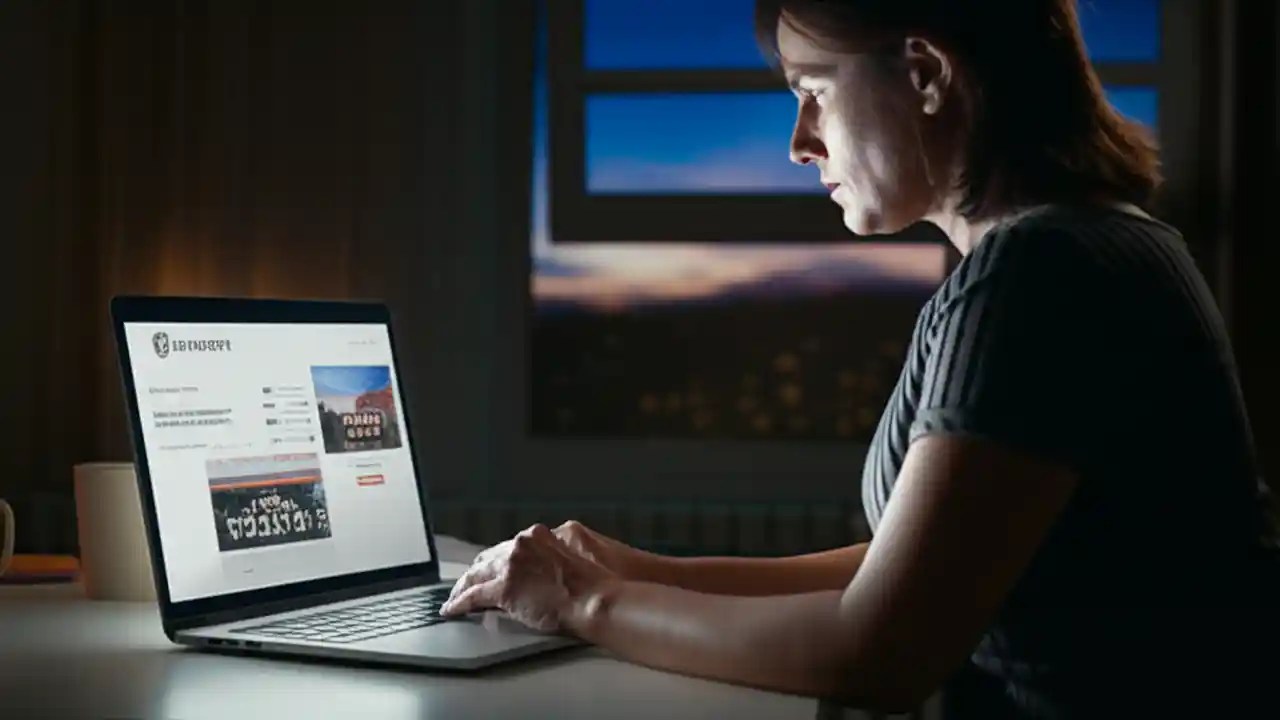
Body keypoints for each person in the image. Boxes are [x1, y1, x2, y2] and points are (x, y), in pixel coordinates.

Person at [442, 0, 1280, 716]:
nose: (801, 141)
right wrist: (641, 569)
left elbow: (883, 650)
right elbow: (919, 569)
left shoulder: (1039, 275)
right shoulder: (1095, 244)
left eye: (813, 91)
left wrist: (588, 602)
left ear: (924, 74)